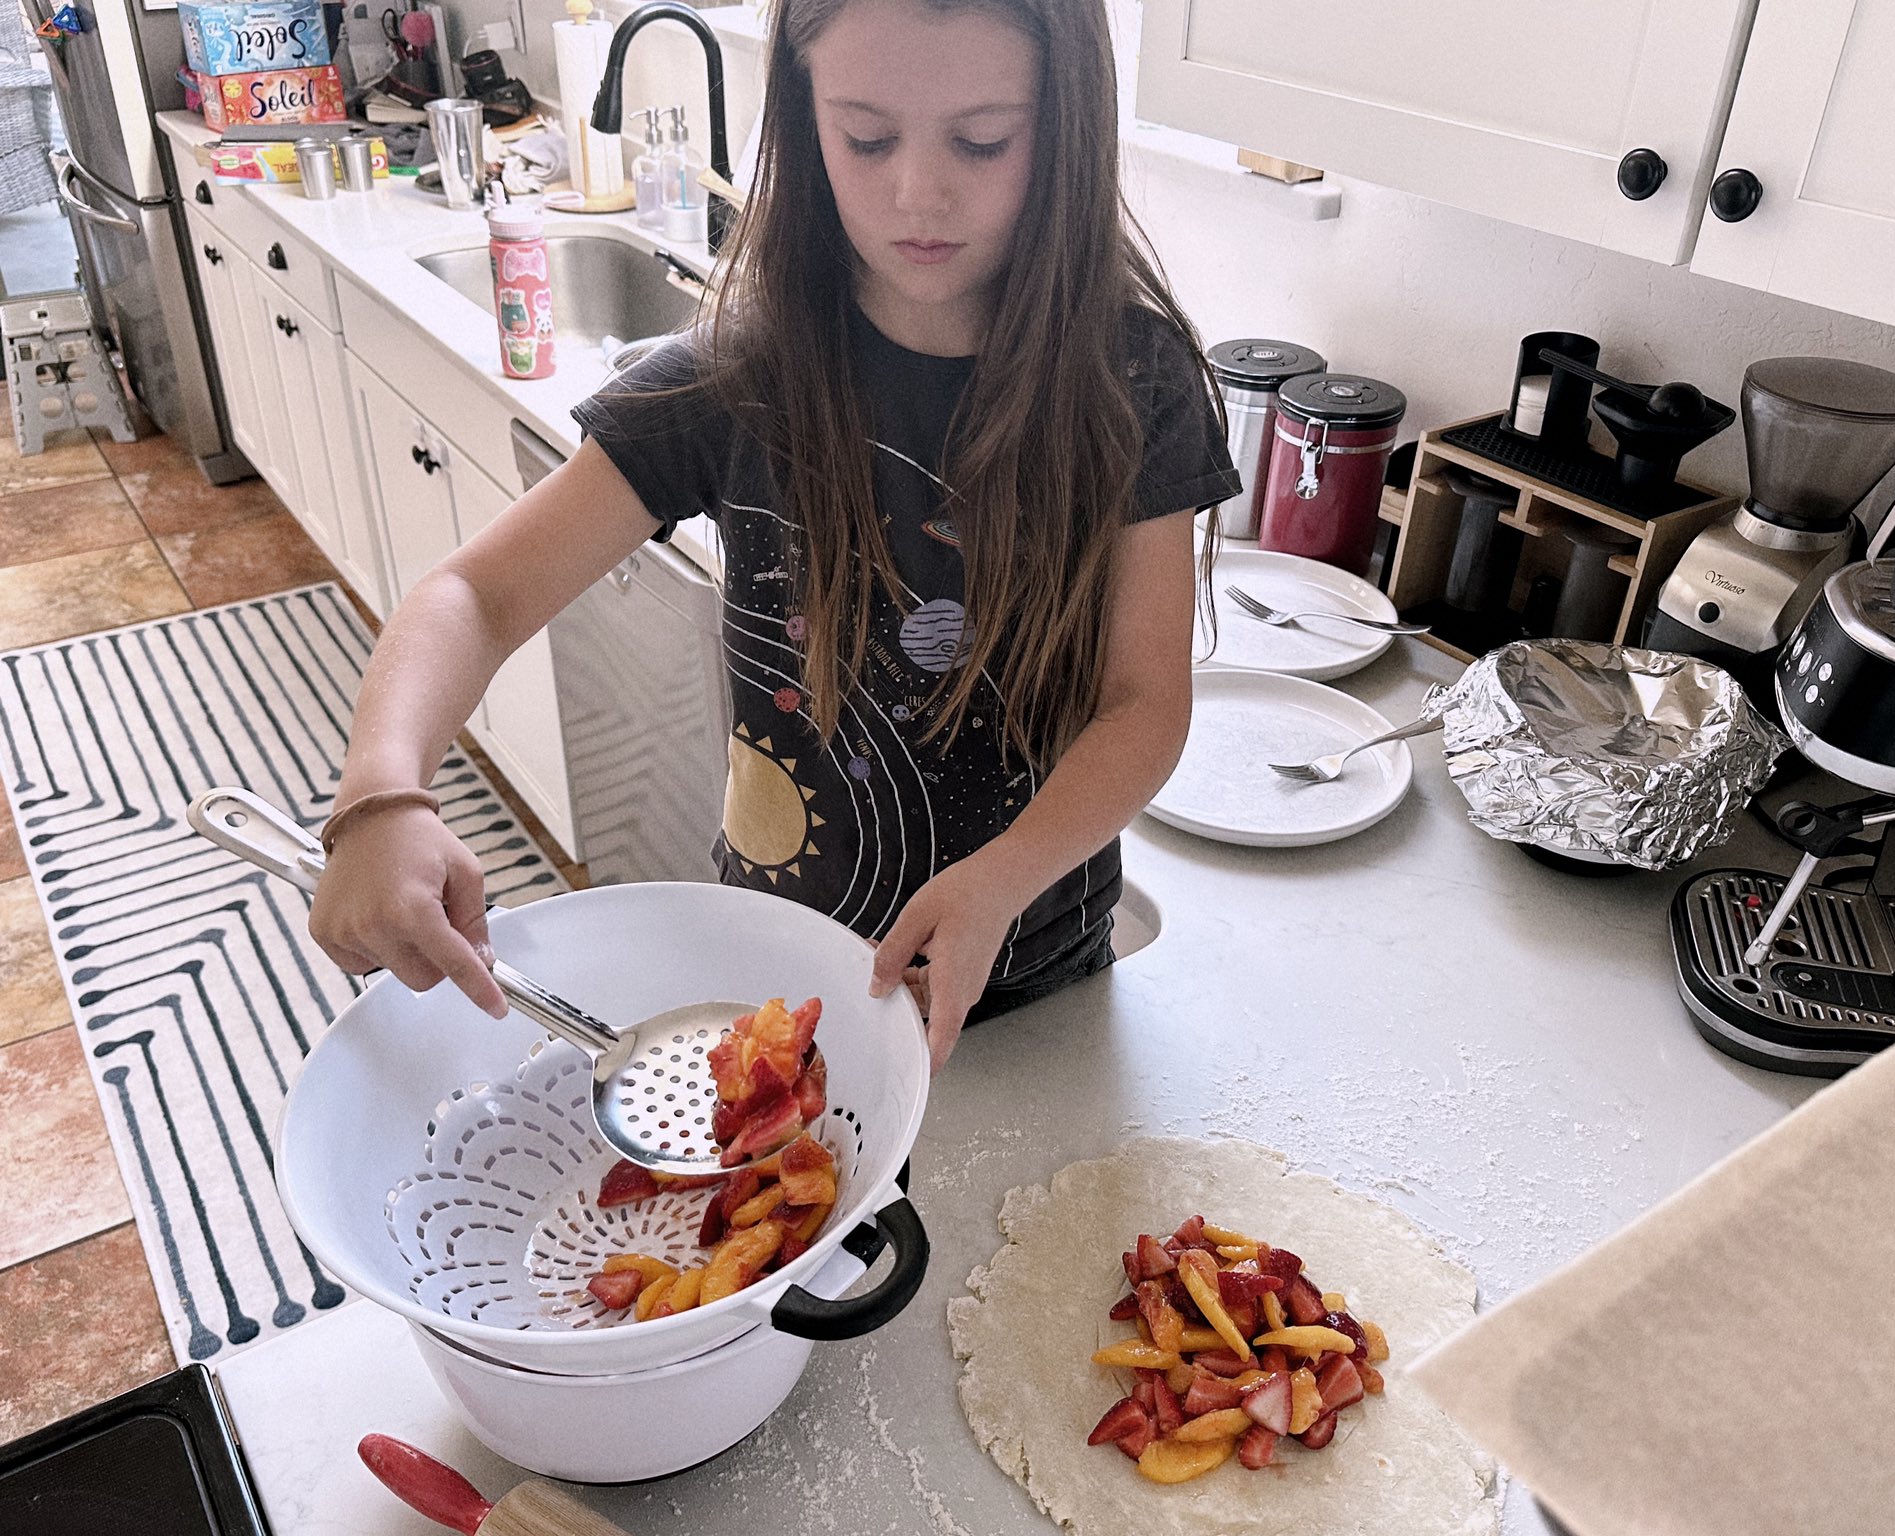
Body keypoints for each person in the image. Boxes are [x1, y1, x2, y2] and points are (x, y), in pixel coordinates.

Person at [309, 0, 1239, 1068]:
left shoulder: (1132, 382)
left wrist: (1005, 875)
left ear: (1069, 123)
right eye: (866, 136)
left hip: (1038, 980)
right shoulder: (735, 383)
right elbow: (475, 597)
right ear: (803, 120)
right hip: (782, 974)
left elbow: (1143, 701)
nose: (917, 191)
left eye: (983, 140)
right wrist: (380, 795)